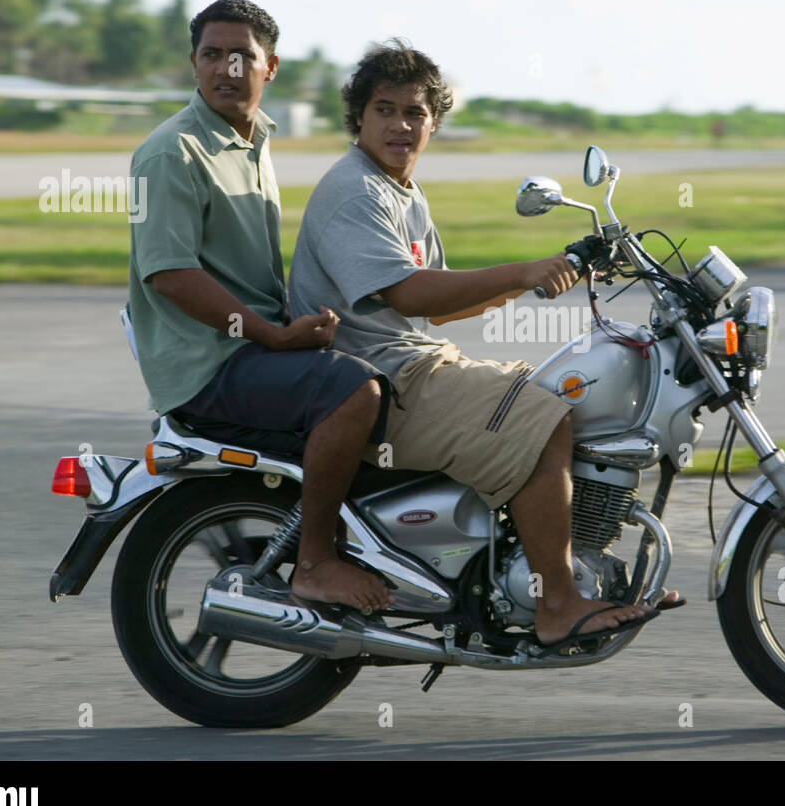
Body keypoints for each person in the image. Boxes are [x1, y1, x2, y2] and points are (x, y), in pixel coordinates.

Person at [288, 41, 680, 649]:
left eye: (414, 112)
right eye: (384, 109)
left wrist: (542, 278)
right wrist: (522, 272)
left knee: (552, 388)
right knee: (542, 416)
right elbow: (412, 295)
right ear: (358, 119)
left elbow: (441, 303)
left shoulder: (401, 192)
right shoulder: (354, 191)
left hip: (412, 360)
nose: (400, 125)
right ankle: (556, 602)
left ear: (434, 122)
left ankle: (525, 561)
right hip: (381, 378)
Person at [127, 0, 394, 615]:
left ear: (269, 66)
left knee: (395, 373)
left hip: (247, 343)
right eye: (211, 54)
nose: (226, 68)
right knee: (357, 392)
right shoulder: (172, 153)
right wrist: (274, 339)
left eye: (240, 55)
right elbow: (170, 276)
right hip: (208, 363)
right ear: (192, 64)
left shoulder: (250, 140)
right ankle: (316, 561)